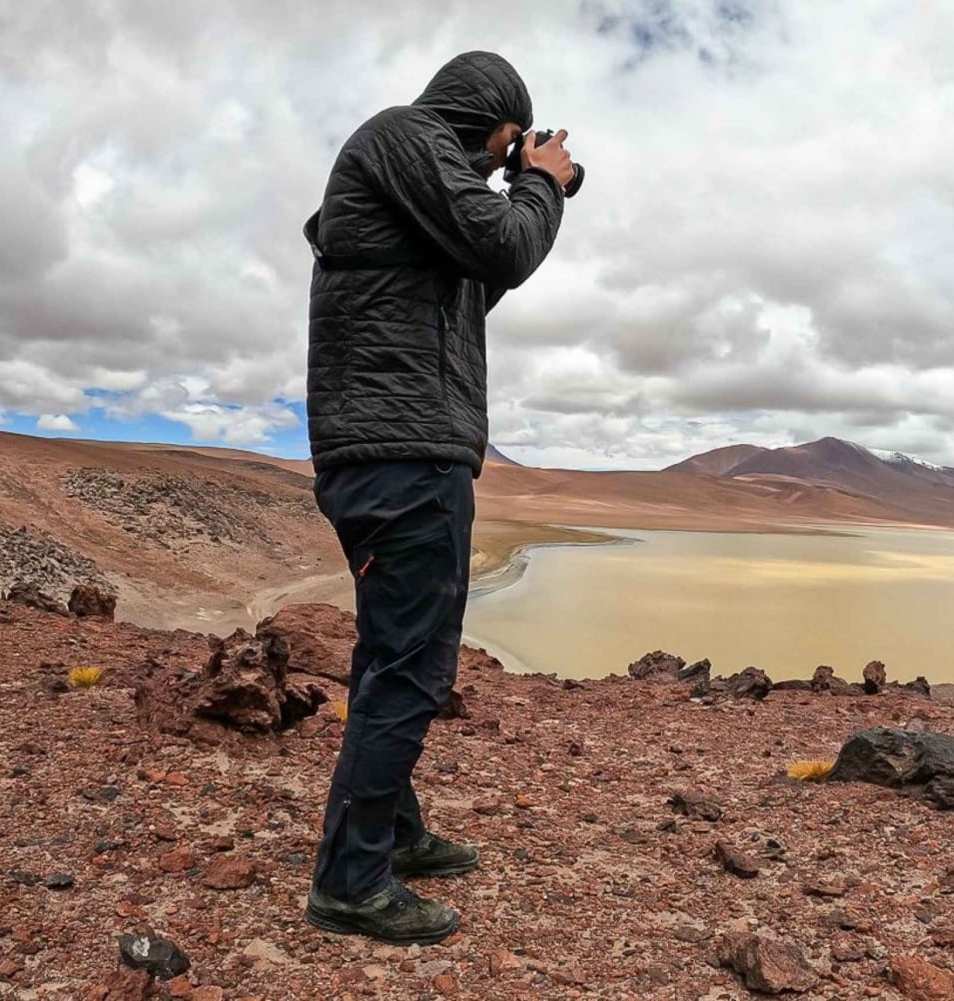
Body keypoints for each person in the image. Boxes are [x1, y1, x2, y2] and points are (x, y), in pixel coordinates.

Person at [300, 50, 573, 944]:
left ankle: (393, 833)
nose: (499, 164)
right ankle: (351, 881)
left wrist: (536, 194)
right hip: (402, 456)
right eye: (502, 146)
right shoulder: (405, 136)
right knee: (414, 668)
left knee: (389, 654)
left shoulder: (417, 191)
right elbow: (506, 243)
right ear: (490, 116)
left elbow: (481, 275)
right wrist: (538, 185)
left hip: (402, 451)